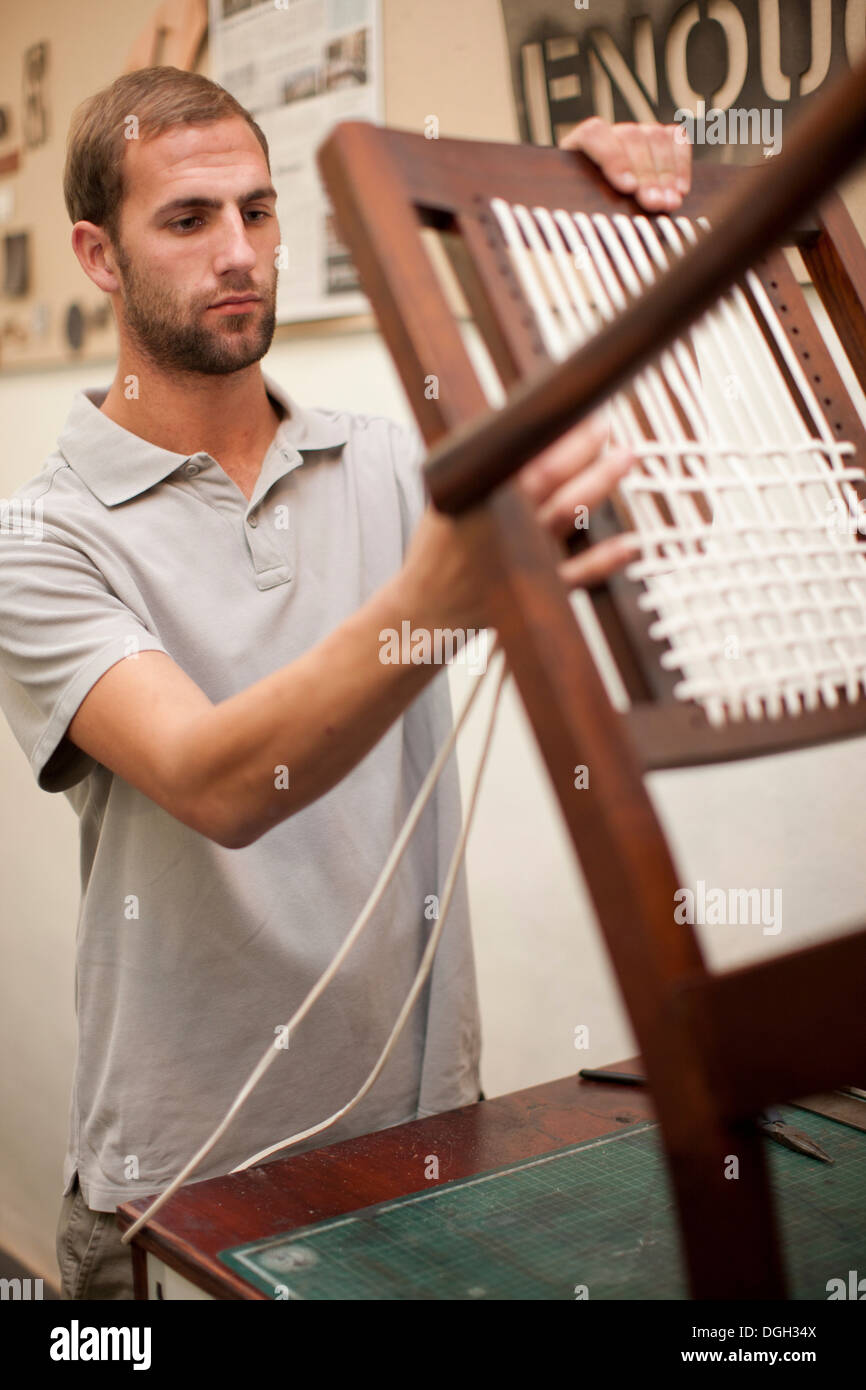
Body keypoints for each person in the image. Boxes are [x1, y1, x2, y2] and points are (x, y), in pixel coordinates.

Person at [0, 66, 692, 1300]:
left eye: (258, 213)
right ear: (98, 256)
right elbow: (217, 779)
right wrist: (430, 601)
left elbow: (602, 457)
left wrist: (582, 227)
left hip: (420, 1146)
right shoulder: (41, 541)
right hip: (171, 1188)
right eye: (189, 219)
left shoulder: (387, 461)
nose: (239, 252)